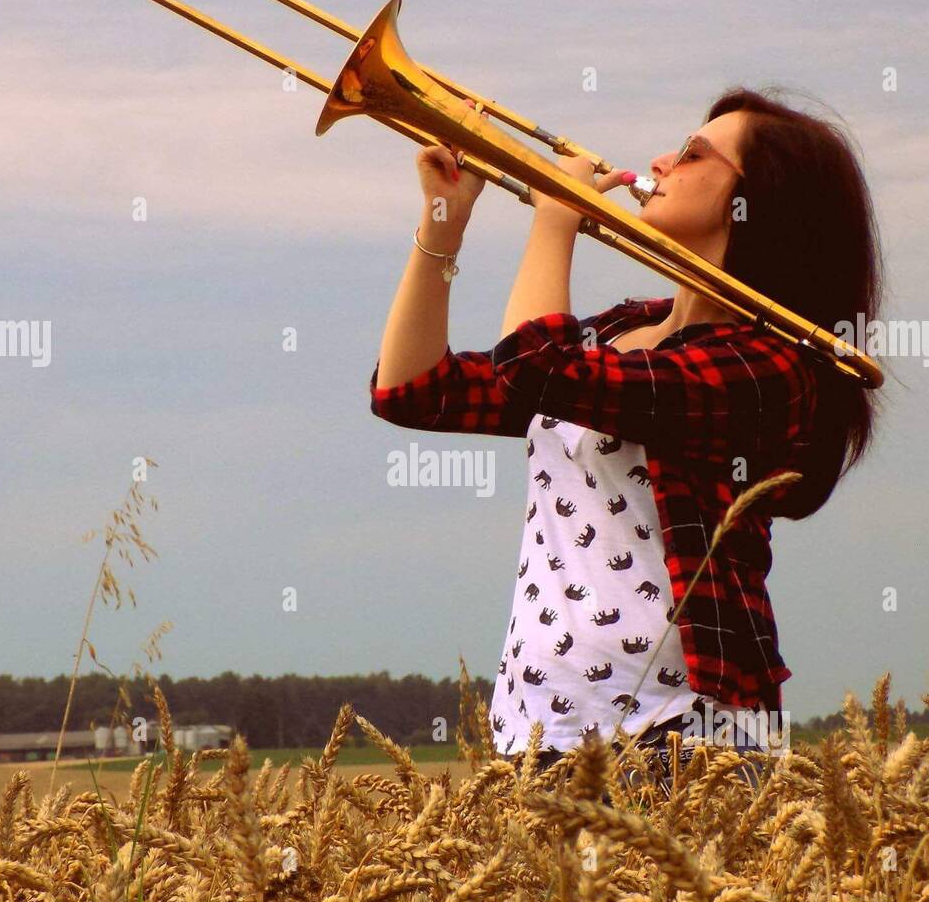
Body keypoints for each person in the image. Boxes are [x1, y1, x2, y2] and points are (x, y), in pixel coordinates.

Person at [369, 88, 883, 794]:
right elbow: (412, 391)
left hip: (680, 731)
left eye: (695, 154)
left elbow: (533, 366)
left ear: (756, 200)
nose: (661, 161)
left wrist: (553, 217)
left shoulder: (763, 364)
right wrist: (443, 227)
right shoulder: (621, 331)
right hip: (537, 729)